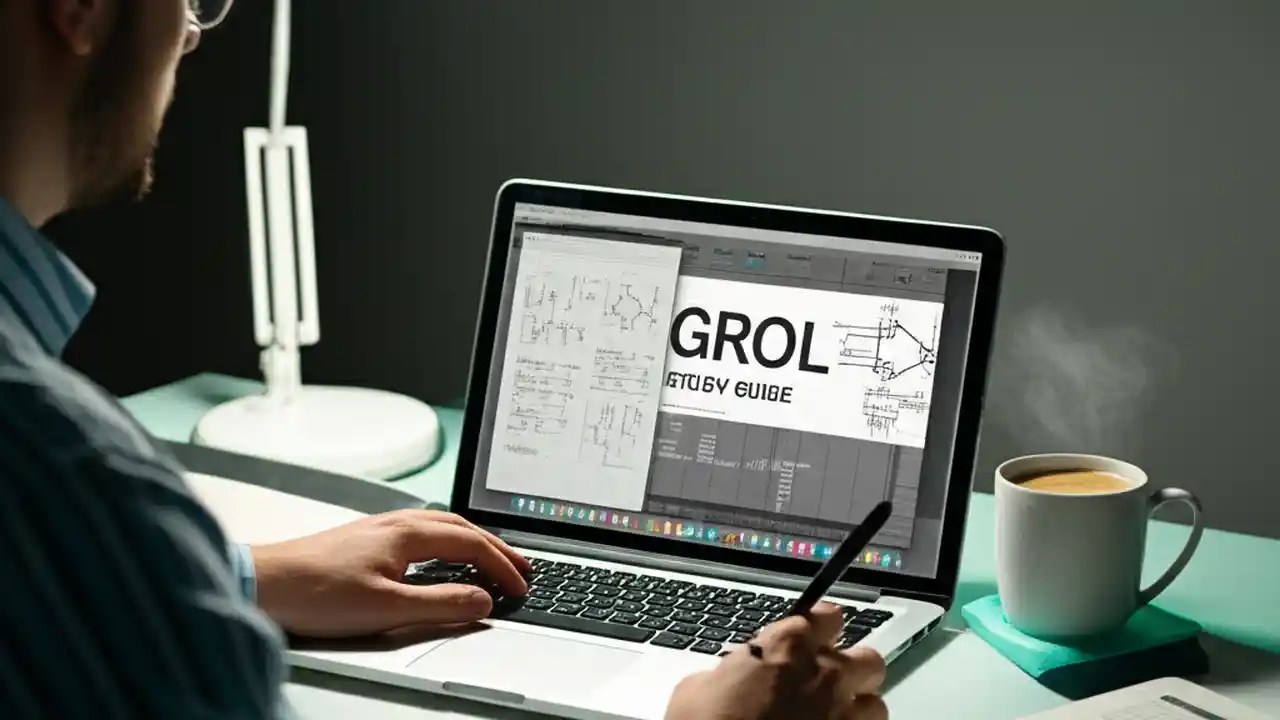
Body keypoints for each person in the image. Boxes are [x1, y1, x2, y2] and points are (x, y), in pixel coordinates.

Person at [0, 2, 889, 718]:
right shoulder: (58, 468)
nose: (192, 32)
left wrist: (245, 576)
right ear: (80, 8)